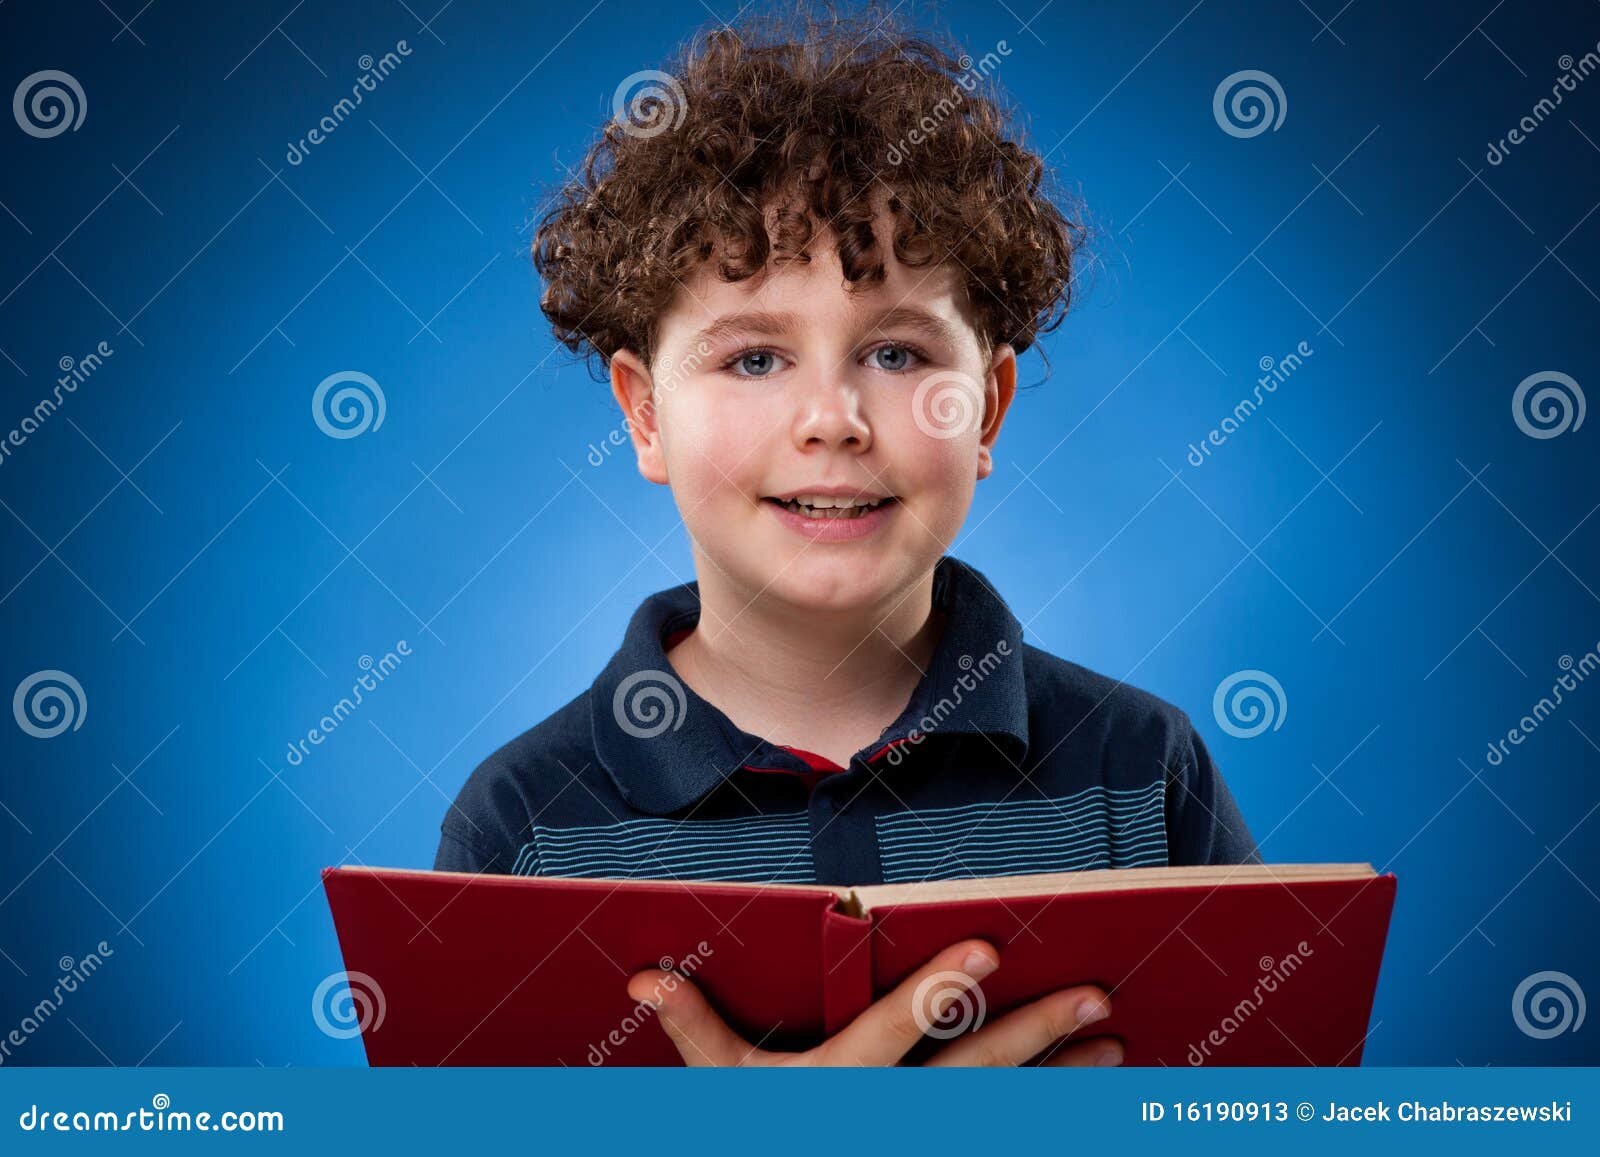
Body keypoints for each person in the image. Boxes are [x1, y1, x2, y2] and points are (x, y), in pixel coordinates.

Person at [436, 6, 1259, 1066]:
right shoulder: (524, 826)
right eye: (754, 359)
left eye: (899, 353)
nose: (833, 417)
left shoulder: (1142, 776)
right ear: (645, 414)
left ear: (988, 412)